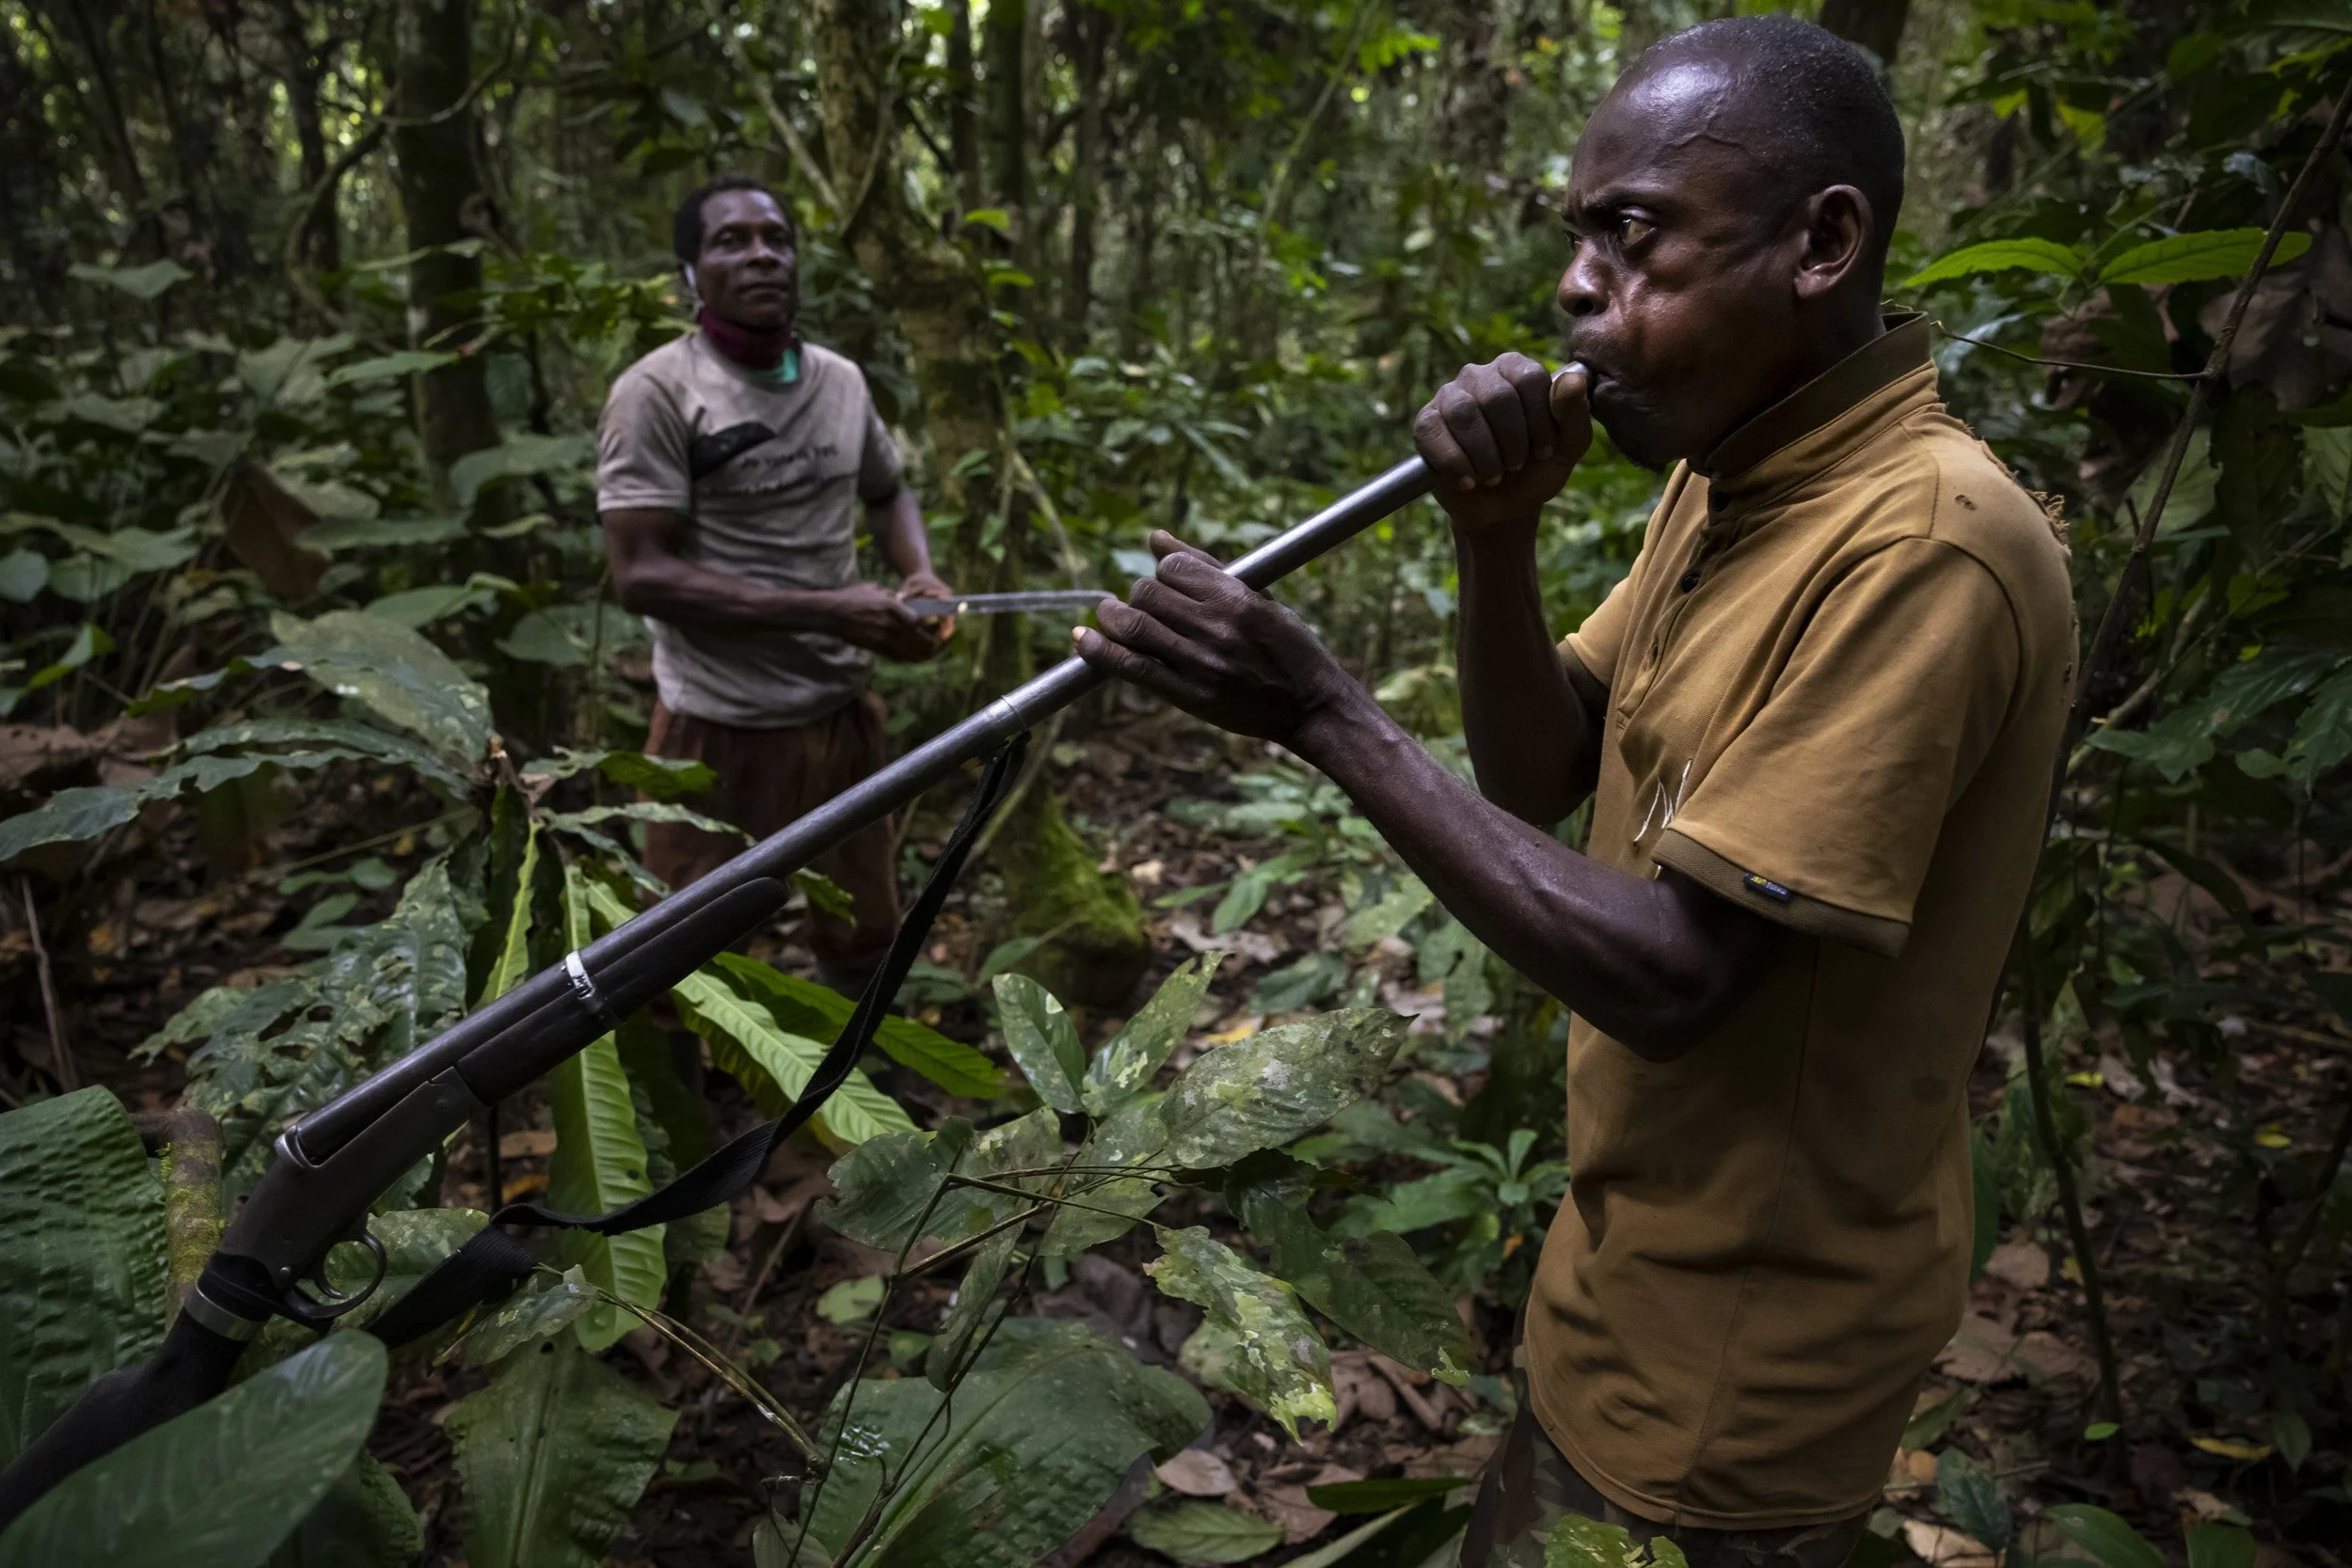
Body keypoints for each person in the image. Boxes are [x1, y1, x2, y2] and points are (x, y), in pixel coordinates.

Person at [1074, 15, 2074, 1565]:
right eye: (1580, 239)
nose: (1577, 287)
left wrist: (1328, 711)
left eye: (1636, 236)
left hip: (1745, 1349)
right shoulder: (1735, 473)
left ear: (1823, 242)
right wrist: (1496, 537)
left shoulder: (1925, 543)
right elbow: (1540, 766)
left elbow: (1680, 975)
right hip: (1629, 1272)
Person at [596, 176, 953, 990]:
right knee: (683, 964)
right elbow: (642, 575)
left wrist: (919, 574)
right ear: (689, 274)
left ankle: (863, 1104)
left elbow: (887, 489)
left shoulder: (840, 380)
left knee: (865, 938)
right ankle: (696, 1113)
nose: (761, 255)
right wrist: (831, 610)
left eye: (777, 238)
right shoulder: (655, 392)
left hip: (841, 719)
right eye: (731, 241)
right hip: (717, 729)